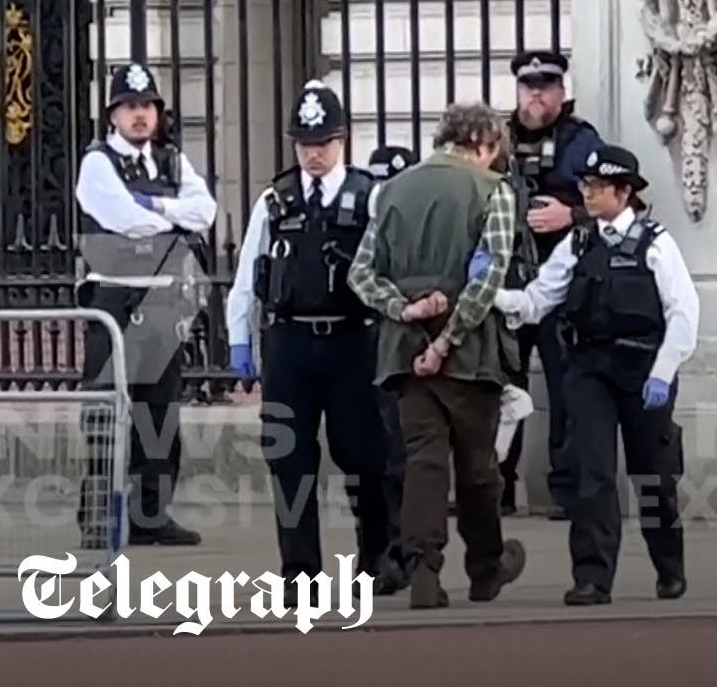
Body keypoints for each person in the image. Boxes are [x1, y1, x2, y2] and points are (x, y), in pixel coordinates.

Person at [493, 145, 697, 605]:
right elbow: (538, 300)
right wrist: (494, 296)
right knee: (591, 473)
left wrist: (664, 371)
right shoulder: (578, 243)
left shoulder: (656, 243)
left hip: (644, 369)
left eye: (598, 186)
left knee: (653, 474)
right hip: (589, 370)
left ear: (624, 192)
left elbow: (683, 312)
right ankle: (592, 577)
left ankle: (669, 566)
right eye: (585, 185)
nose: (588, 194)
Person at [347, 101, 527, 610]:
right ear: (485, 145)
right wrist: (448, 338)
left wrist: (403, 310)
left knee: (423, 463)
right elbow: (487, 277)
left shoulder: (391, 190)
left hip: (404, 350)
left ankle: (424, 568)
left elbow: (361, 273)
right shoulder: (492, 190)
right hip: (470, 353)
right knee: (477, 466)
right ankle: (485, 566)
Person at [225, 81, 391, 605]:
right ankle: (301, 575)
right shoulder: (275, 200)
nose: (313, 154)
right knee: (289, 460)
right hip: (290, 343)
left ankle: (377, 560)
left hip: (352, 341)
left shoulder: (370, 196)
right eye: (304, 144)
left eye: (322, 143)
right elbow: (248, 276)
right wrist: (240, 342)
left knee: (363, 456)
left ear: (342, 140)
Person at [74, 63, 217, 549]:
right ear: (113, 115)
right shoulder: (97, 163)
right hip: (115, 297)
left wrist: (156, 207)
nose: (140, 115)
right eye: (130, 106)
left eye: (147, 106)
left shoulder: (172, 162)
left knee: (160, 413)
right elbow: (122, 219)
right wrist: (172, 219)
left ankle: (150, 514)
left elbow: (205, 211)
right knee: (107, 412)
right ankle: (99, 517)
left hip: (162, 298)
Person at [502, 49, 605, 519]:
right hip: (507, 281)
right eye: (529, 87)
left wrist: (572, 215)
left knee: (567, 387)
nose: (536, 96)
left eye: (546, 87)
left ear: (562, 92)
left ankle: (568, 490)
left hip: (561, 285)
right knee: (500, 386)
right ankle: (495, 487)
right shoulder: (498, 140)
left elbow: (618, 204)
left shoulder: (581, 142)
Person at [364, 144, 419, 596]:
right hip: (359, 346)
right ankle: (378, 554)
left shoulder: (416, 226)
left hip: (401, 346)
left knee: (400, 459)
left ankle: (402, 555)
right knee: (372, 460)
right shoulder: (362, 223)